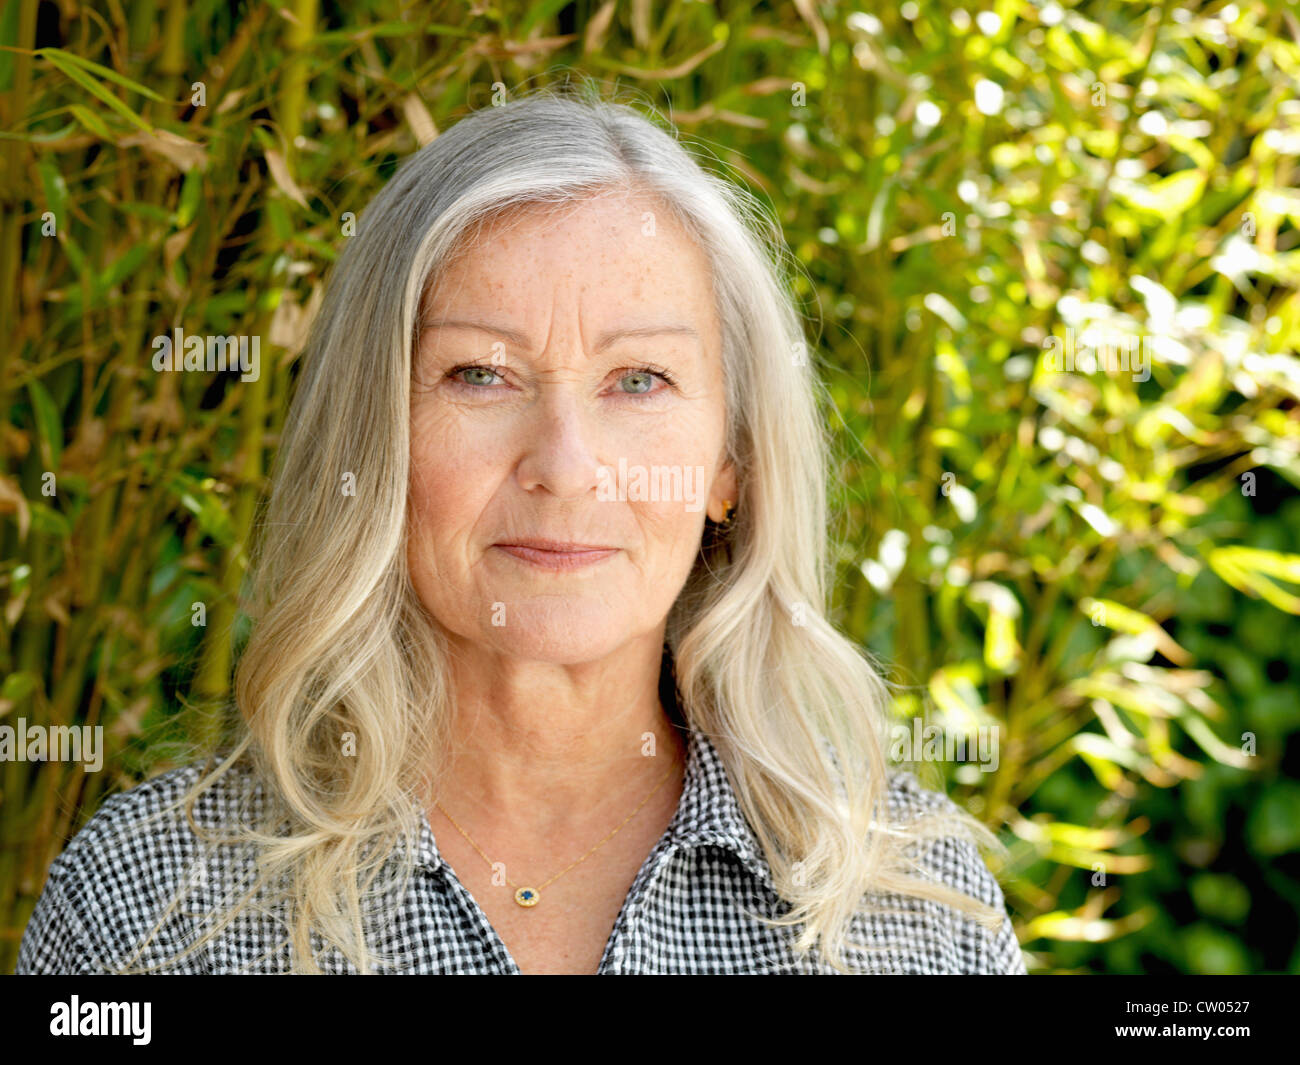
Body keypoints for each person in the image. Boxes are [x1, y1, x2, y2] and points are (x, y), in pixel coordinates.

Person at [17, 84, 1025, 975]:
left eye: (639, 380)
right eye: (480, 375)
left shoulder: (909, 910)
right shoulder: (151, 908)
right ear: (376, 434)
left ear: (730, 463)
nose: (566, 464)